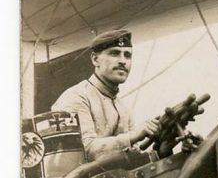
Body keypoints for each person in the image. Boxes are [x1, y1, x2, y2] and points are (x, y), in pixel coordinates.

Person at [51, 29, 161, 160]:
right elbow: (84, 151)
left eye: (127, 55)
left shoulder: (123, 107)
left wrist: (160, 151)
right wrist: (134, 135)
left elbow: (132, 156)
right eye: (114, 53)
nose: (123, 61)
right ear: (95, 59)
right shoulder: (75, 97)